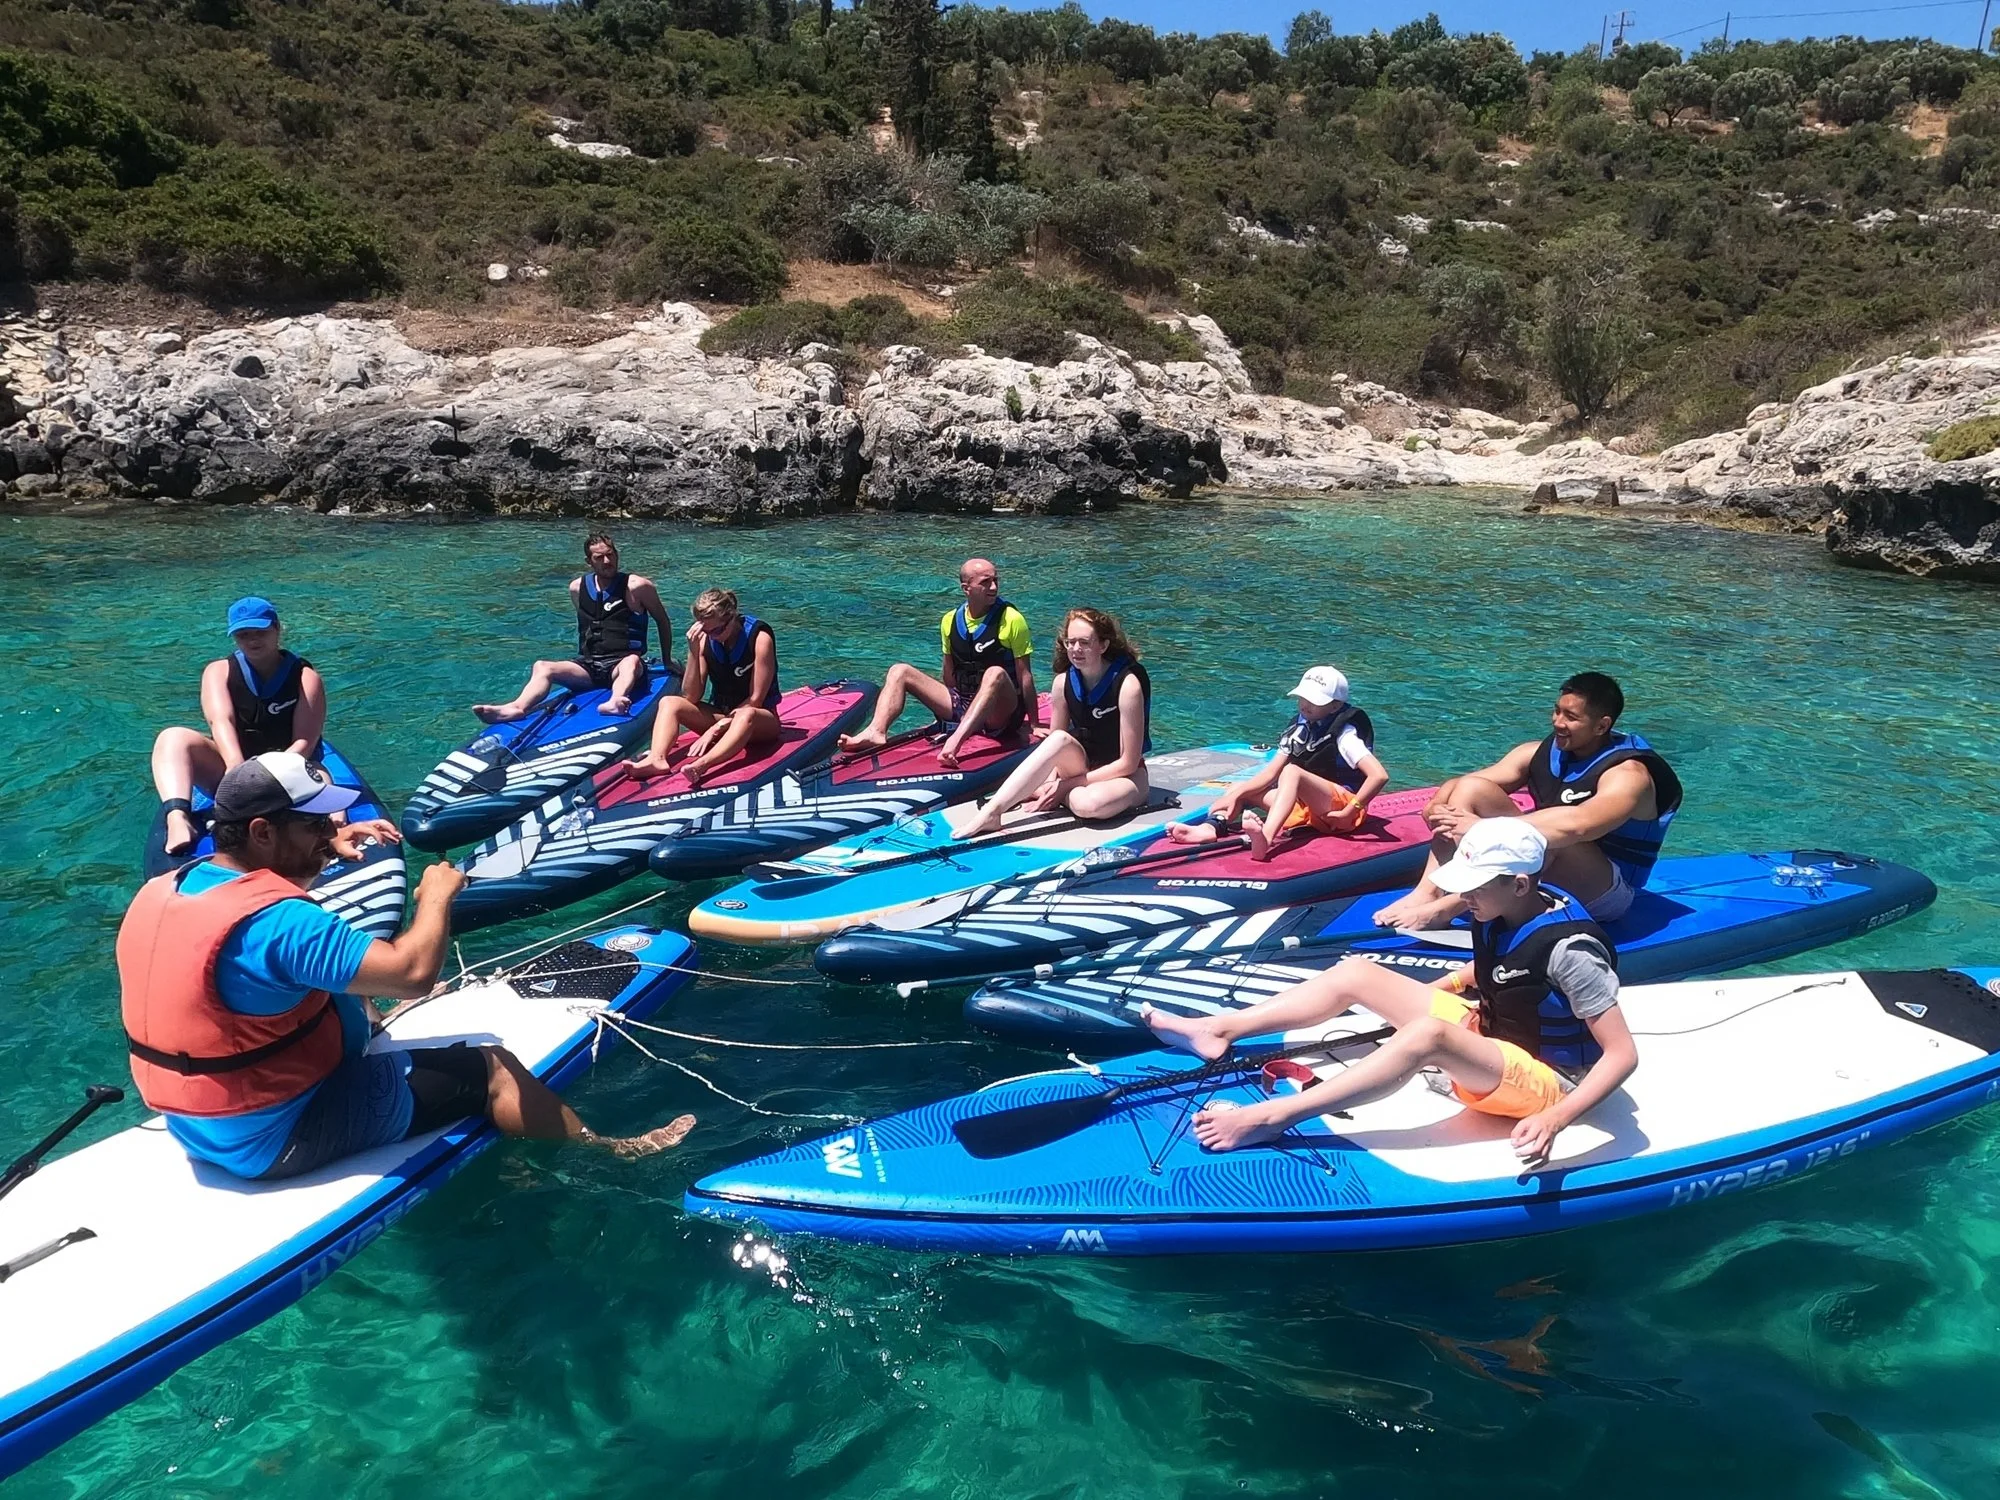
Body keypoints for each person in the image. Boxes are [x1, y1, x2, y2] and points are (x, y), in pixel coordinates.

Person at [116, 750, 695, 1181]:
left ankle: (372, 1027)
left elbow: (259, 963)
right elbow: (413, 970)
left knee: (336, 986)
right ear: (263, 832)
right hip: (275, 1136)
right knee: (492, 1067)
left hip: (194, 1127)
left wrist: (319, 850)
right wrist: (436, 894)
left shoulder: (166, 889)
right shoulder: (277, 924)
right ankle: (609, 1150)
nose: (332, 833)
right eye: (317, 825)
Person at [1144, 818, 1637, 1168]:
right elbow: (1498, 967)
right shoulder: (1507, 909)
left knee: (1427, 1035)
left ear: (1522, 883)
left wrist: (1556, 1119)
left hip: (1552, 1080)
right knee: (1358, 972)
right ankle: (1217, 1029)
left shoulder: (1572, 951)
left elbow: (1621, 1055)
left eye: (1474, 889)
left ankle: (1272, 1118)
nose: (1463, 899)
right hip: (1494, 1041)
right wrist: (1426, 991)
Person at [1372, 671, 1683, 932]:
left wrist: (1485, 829)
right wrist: (1440, 801)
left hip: (1607, 891)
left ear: (1602, 725)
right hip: (1543, 862)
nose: (1557, 722)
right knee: (1470, 789)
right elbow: (1466, 784)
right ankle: (1428, 891)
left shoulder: (1629, 775)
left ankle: (1445, 909)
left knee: (1549, 840)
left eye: (1571, 717)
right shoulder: (1540, 751)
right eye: (1557, 711)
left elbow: (1579, 826)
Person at [150, 595, 358, 862]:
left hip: (295, 768)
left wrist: (267, 774)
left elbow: (305, 740)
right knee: (172, 738)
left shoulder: (305, 677)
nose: (252, 641)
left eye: (260, 632)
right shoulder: (218, 671)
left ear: (277, 629)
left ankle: (327, 838)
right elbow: (220, 721)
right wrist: (239, 773)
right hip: (234, 770)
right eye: (243, 635)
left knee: (334, 811)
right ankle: (178, 817)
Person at [956, 608, 1150, 839]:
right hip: (1081, 767)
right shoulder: (1062, 683)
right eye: (1071, 642)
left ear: (1103, 646)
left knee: (1089, 804)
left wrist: (1065, 786)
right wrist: (1052, 782)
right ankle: (992, 812)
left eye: (1085, 642)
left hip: (1125, 777)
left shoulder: (1127, 686)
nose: (1076, 649)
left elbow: (1128, 763)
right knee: (1058, 738)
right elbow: (1055, 750)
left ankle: (1057, 793)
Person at [1167, 666, 1390, 860]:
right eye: (1303, 698)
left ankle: (1265, 838)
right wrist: (1235, 795)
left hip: (1342, 813)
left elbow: (1379, 775)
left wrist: (1350, 812)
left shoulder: (1346, 735)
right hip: (1310, 810)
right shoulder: (1299, 728)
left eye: (1314, 701)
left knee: (1292, 771)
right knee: (1241, 788)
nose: (1304, 705)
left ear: (1335, 706)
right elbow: (1270, 774)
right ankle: (1211, 827)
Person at [836, 557, 1039, 767]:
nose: (994, 587)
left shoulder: (1012, 619)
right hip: (964, 701)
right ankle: (876, 731)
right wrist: (946, 712)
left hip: (1000, 714)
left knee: (994, 673)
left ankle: (955, 742)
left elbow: (1025, 675)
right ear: (966, 588)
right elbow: (949, 675)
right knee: (899, 670)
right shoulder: (950, 620)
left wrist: (1033, 724)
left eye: (995, 580)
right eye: (985, 582)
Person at [473, 533, 673, 723]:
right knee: (542, 666)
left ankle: (616, 700)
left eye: (610, 555)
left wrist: (666, 661)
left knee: (631, 661)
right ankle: (517, 707)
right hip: (590, 667)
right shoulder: (577, 588)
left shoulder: (637, 586)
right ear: (589, 561)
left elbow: (663, 620)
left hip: (622, 666)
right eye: (599, 557)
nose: (607, 561)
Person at [629, 587, 782, 786]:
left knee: (747, 714)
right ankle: (657, 759)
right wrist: (694, 652)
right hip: (723, 715)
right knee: (669, 702)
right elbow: (691, 696)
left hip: (760, 721)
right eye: (707, 631)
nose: (713, 636)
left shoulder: (759, 638)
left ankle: (702, 765)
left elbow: (756, 700)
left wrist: (716, 728)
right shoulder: (706, 639)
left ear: (732, 616)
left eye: (717, 630)